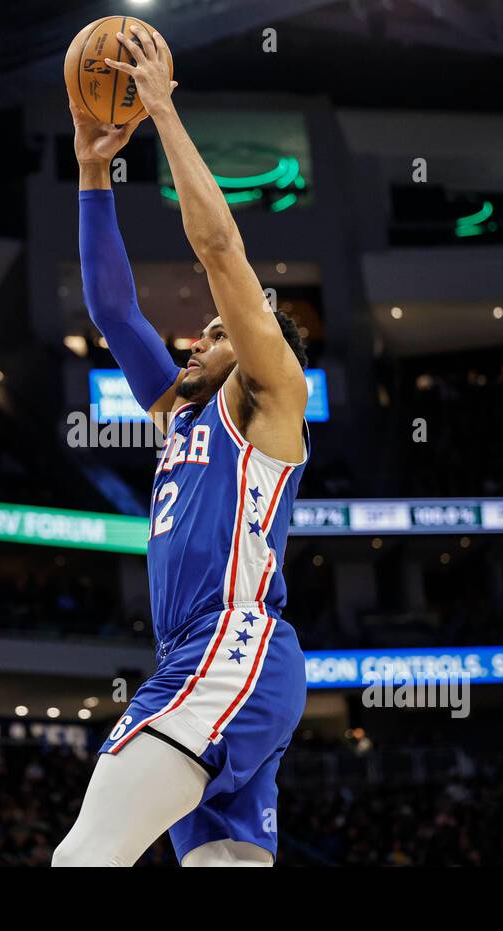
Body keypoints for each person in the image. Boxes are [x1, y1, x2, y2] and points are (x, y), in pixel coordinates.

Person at [54, 23, 310, 867]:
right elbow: (115, 313)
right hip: (208, 660)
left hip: (228, 647)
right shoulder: (179, 410)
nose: (195, 342)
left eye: (213, 333)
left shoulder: (269, 397)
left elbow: (219, 248)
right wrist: (94, 171)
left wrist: (162, 112)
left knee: (83, 859)